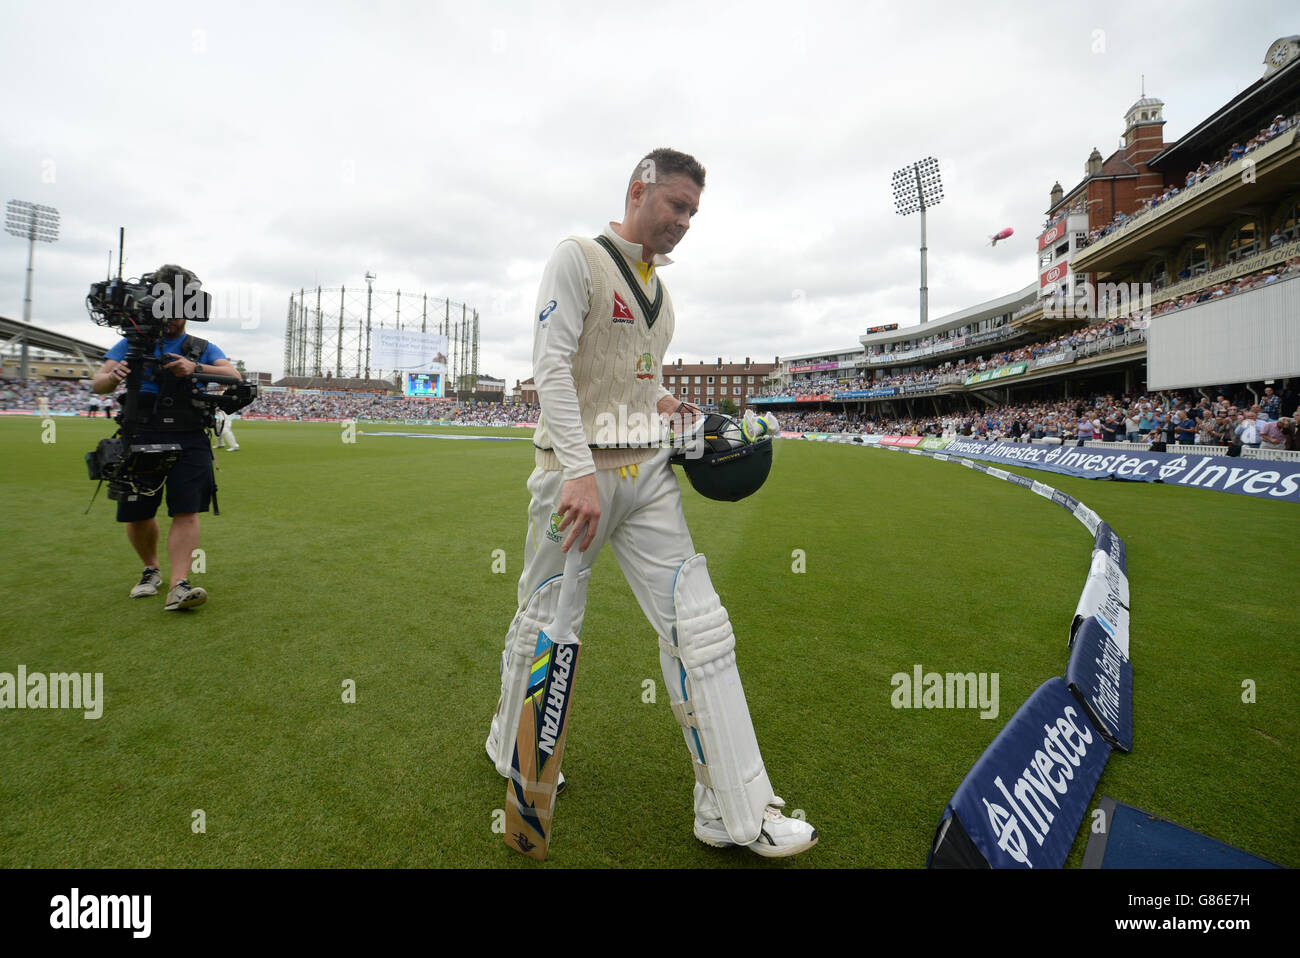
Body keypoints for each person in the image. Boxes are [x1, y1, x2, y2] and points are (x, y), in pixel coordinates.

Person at [484, 148, 817, 857]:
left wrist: (679, 410)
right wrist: (576, 471)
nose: (686, 222)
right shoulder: (577, 257)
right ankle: (514, 757)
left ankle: (735, 810)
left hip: (650, 474)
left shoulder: (661, 296)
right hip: (575, 477)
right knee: (547, 620)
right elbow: (551, 366)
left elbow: (640, 385)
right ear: (640, 190)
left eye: (694, 212)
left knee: (700, 626)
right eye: (677, 206)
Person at [91, 264, 238, 611]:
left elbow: (233, 374)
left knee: (186, 510)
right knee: (137, 512)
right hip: (140, 432)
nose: (172, 319)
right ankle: (150, 570)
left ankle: (179, 584)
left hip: (189, 435)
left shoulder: (202, 346)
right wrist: (114, 378)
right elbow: (98, 381)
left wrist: (195, 368)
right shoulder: (130, 342)